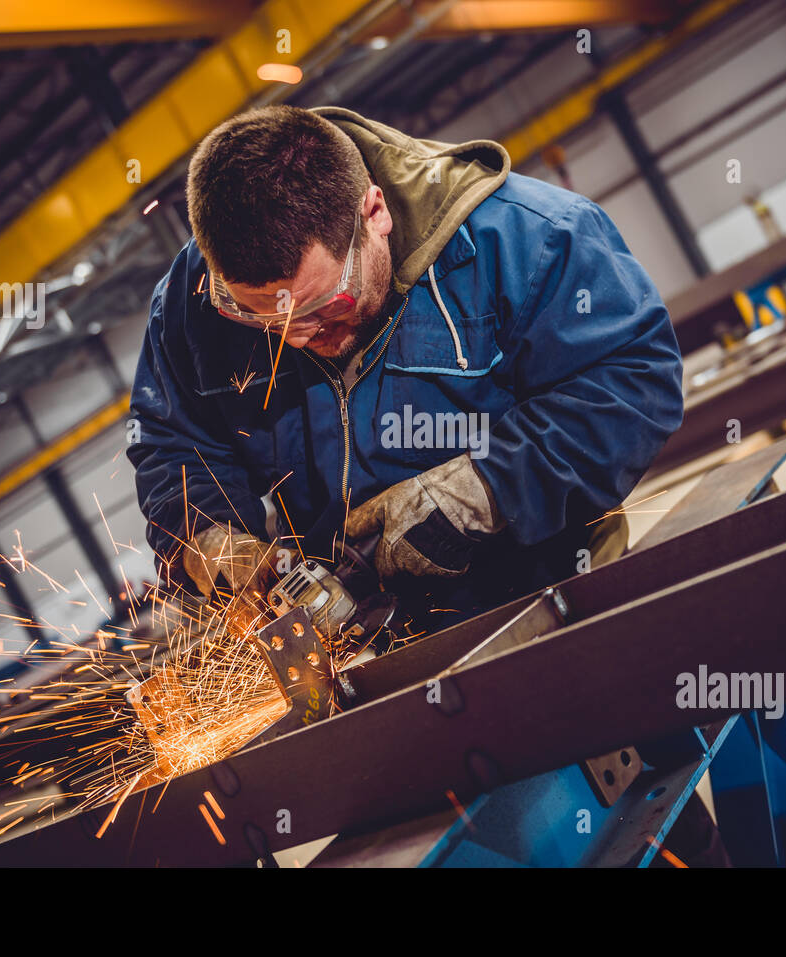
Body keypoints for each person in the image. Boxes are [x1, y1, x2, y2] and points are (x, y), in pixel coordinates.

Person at [128, 105, 684, 633]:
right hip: (366, 643)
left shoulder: (526, 239)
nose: (297, 339)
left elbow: (632, 383)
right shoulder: (190, 307)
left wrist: (483, 492)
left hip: (557, 596)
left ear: (376, 214)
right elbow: (170, 442)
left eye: (326, 310)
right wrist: (209, 536)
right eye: (261, 321)